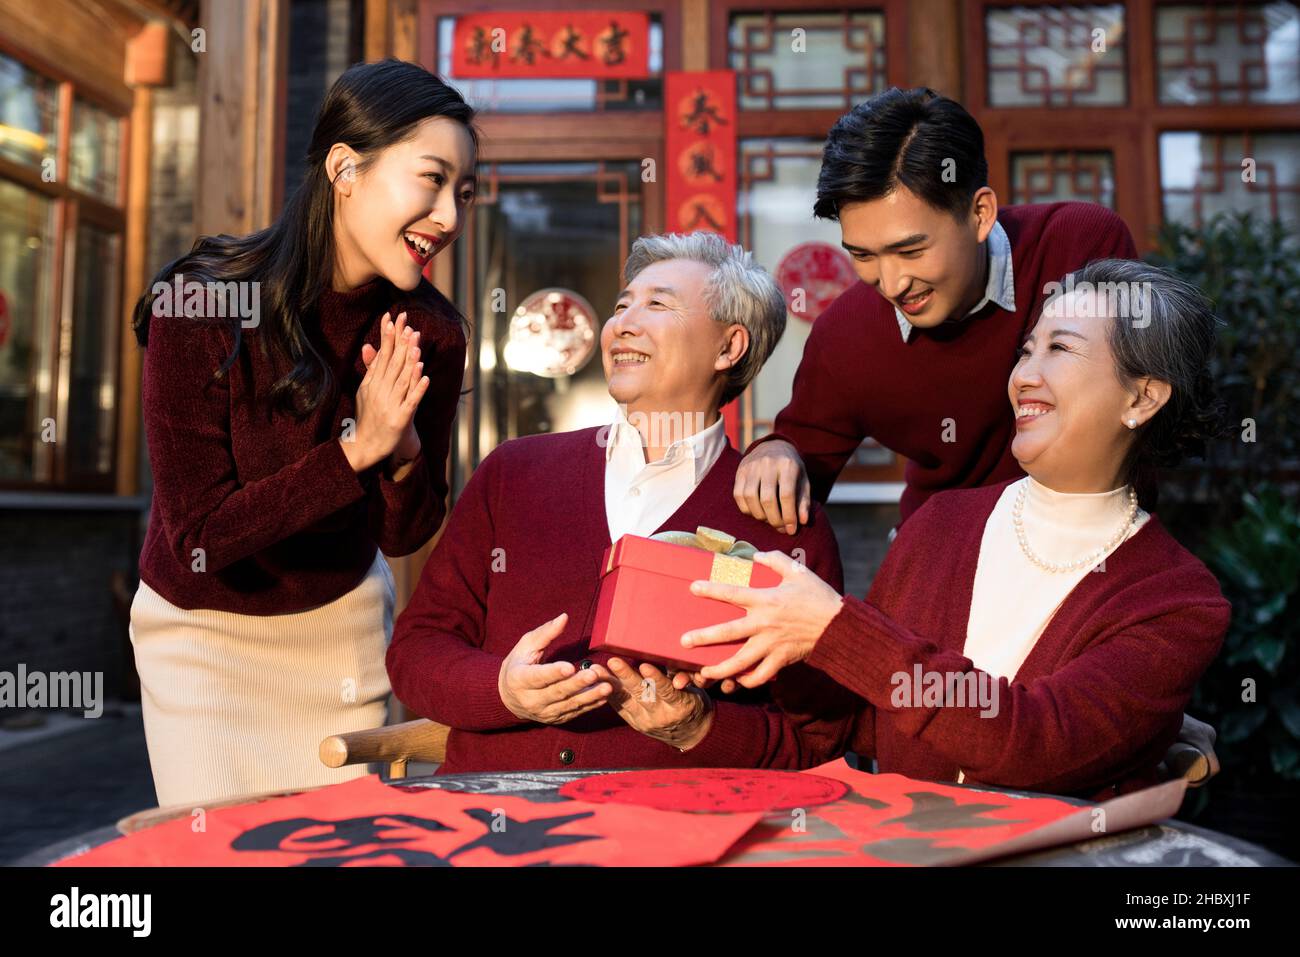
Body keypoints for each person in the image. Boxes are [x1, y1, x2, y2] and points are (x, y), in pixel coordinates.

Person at [684, 259, 1230, 800]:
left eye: (1060, 349)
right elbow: (859, 725)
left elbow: (1038, 744)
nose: (1023, 376)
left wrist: (834, 629)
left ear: (1141, 398)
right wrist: (711, 706)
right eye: (1026, 351)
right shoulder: (941, 524)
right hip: (905, 846)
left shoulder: (1177, 601)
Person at [129, 60, 476, 807]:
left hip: (340, 632)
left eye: (464, 191)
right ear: (344, 169)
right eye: (432, 179)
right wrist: (356, 451)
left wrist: (403, 451)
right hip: (201, 636)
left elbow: (405, 532)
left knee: (338, 849)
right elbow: (202, 535)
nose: (449, 215)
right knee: (220, 849)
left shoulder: (431, 332)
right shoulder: (202, 304)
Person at [386, 232, 843, 773]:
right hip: (492, 813)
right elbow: (416, 650)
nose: (622, 324)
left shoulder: (782, 521)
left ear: (728, 348)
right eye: (622, 305)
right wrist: (502, 690)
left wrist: (699, 728)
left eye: (658, 305)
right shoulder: (514, 472)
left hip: (673, 820)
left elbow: (817, 741)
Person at [732, 87, 1138, 535]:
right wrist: (775, 453)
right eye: (863, 255)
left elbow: (1133, 400)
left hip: (1095, 536)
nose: (892, 284)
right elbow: (799, 455)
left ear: (980, 213)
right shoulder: (846, 335)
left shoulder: (1078, 245)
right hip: (942, 550)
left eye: (910, 251)